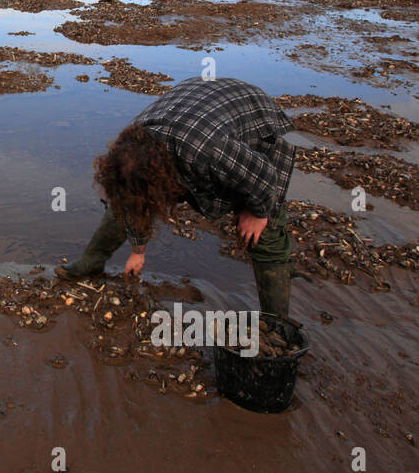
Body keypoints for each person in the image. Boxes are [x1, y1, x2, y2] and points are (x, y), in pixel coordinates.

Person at [55, 77, 297, 317]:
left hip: (248, 110)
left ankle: (277, 322)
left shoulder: (210, 152)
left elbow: (265, 176)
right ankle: (92, 261)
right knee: (128, 196)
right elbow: (132, 201)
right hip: (193, 111)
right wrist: (138, 251)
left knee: (266, 236)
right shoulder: (131, 144)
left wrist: (258, 212)